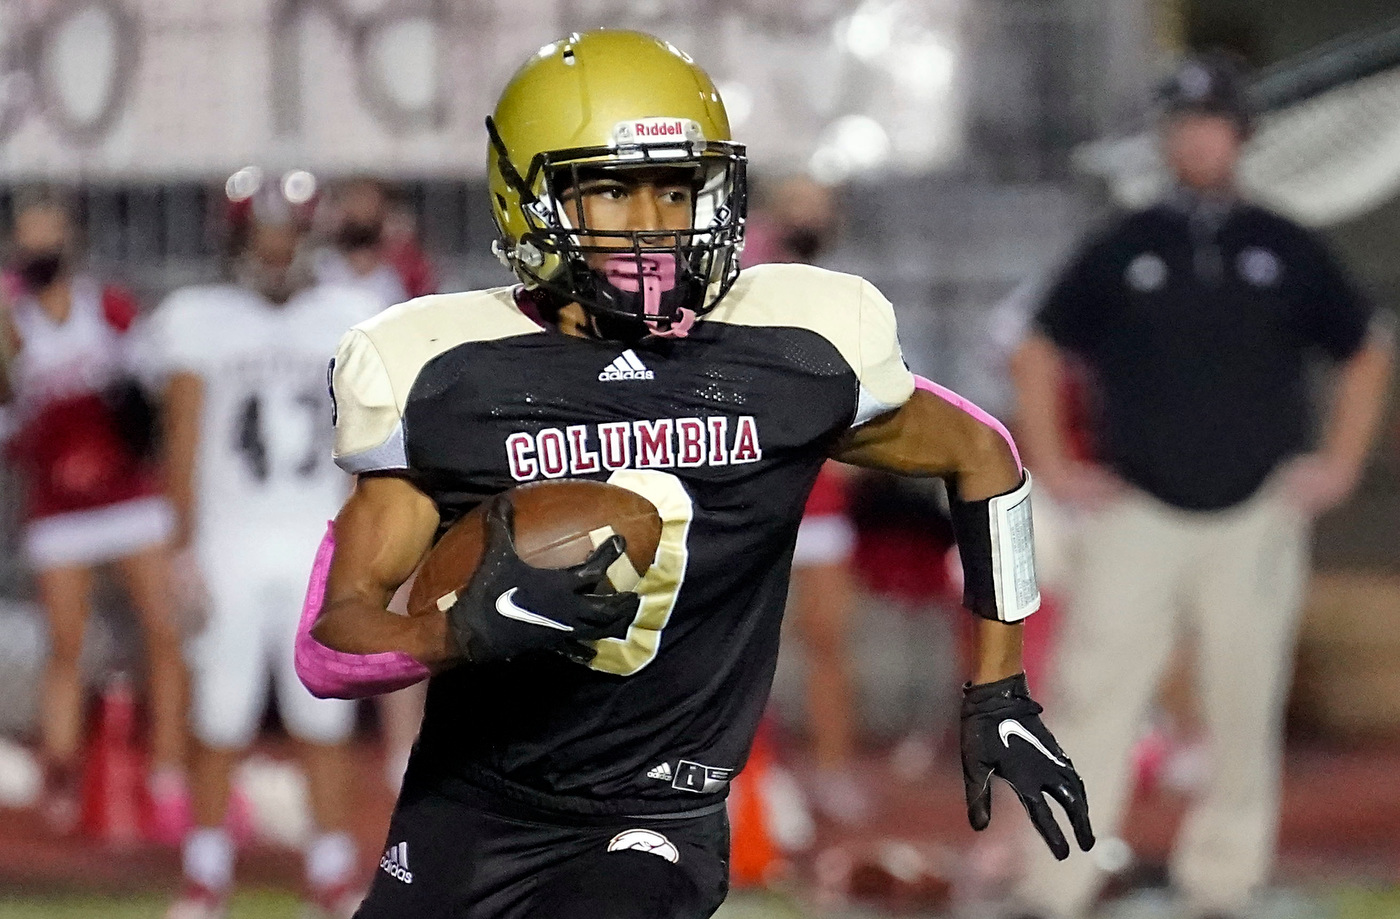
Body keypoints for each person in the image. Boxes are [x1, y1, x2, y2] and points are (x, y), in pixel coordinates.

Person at [299, 30, 1092, 919]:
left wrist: (1000, 686)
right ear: (528, 195)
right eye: (611, 189)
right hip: (469, 806)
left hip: (653, 816)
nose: (654, 225)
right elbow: (329, 644)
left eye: (674, 190)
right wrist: (455, 634)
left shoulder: (789, 350)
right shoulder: (446, 374)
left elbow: (985, 453)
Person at [1008, 52, 1393, 919]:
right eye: (1182, 124)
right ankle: (1053, 884)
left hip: (1254, 512)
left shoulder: (1283, 245)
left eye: (1212, 122)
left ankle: (1224, 880)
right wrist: (1057, 466)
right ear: (1165, 138)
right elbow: (1035, 342)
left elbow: (1365, 347)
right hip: (1137, 508)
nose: (1197, 138)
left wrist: (1339, 460)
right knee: (1091, 696)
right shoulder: (1127, 242)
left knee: (1243, 701)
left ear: (1241, 135)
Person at [144, 180, 382, 919]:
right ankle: (206, 873)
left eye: (288, 233)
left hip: (317, 540)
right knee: (218, 717)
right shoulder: (199, 318)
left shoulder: (347, 314)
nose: (277, 249)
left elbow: (369, 445)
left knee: (325, 720)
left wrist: (366, 549)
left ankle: (332, 871)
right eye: (265, 234)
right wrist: (179, 548)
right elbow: (182, 438)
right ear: (239, 239)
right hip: (230, 544)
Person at [0, 195, 188, 838]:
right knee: (66, 646)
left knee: (163, 631)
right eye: (29, 236)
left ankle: (167, 770)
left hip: (129, 498)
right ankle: (60, 780)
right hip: (59, 508)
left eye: (49, 233)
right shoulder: (12, 323)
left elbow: (151, 393)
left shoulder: (106, 309)